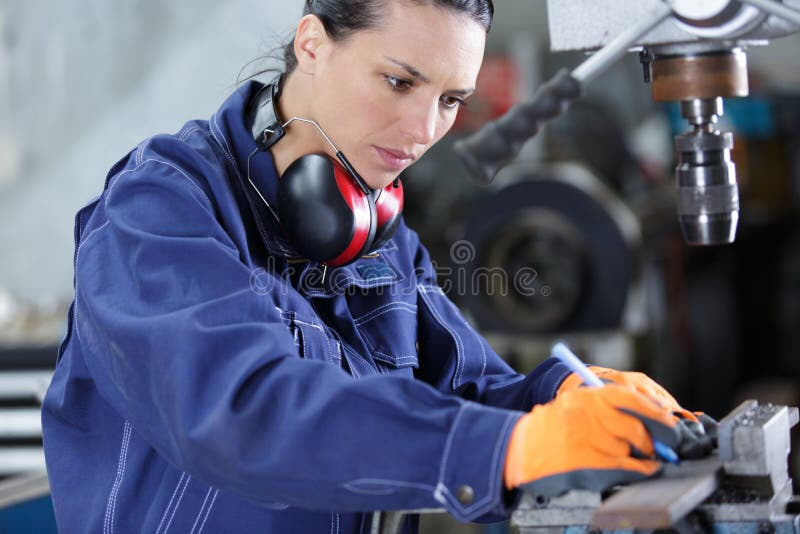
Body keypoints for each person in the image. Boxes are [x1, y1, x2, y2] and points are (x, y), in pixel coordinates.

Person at [41, 1, 713, 532]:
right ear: (312, 44)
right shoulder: (158, 209)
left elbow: (468, 391)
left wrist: (570, 397)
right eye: (399, 81)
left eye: (451, 100)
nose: (424, 130)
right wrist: (512, 450)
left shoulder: (377, 234)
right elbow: (243, 410)